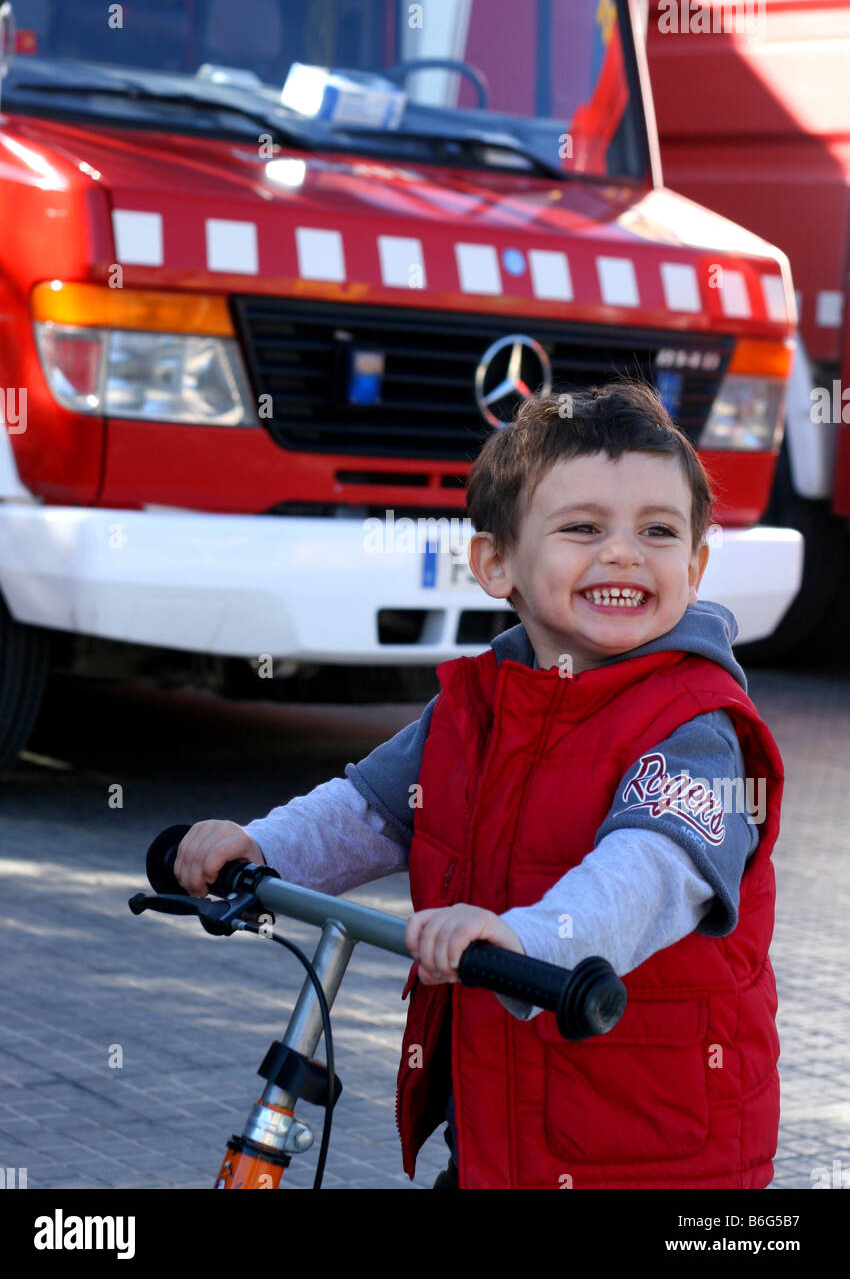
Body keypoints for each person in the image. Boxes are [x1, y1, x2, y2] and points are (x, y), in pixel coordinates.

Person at [174, 379, 784, 1190]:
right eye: (583, 528)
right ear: (497, 563)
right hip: (499, 1124)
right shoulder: (477, 704)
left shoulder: (702, 727)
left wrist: (536, 938)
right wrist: (259, 848)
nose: (624, 553)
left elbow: (653, 869)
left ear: (697, 564)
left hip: (652, 1152)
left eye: (659, 531)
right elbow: (370, 808)